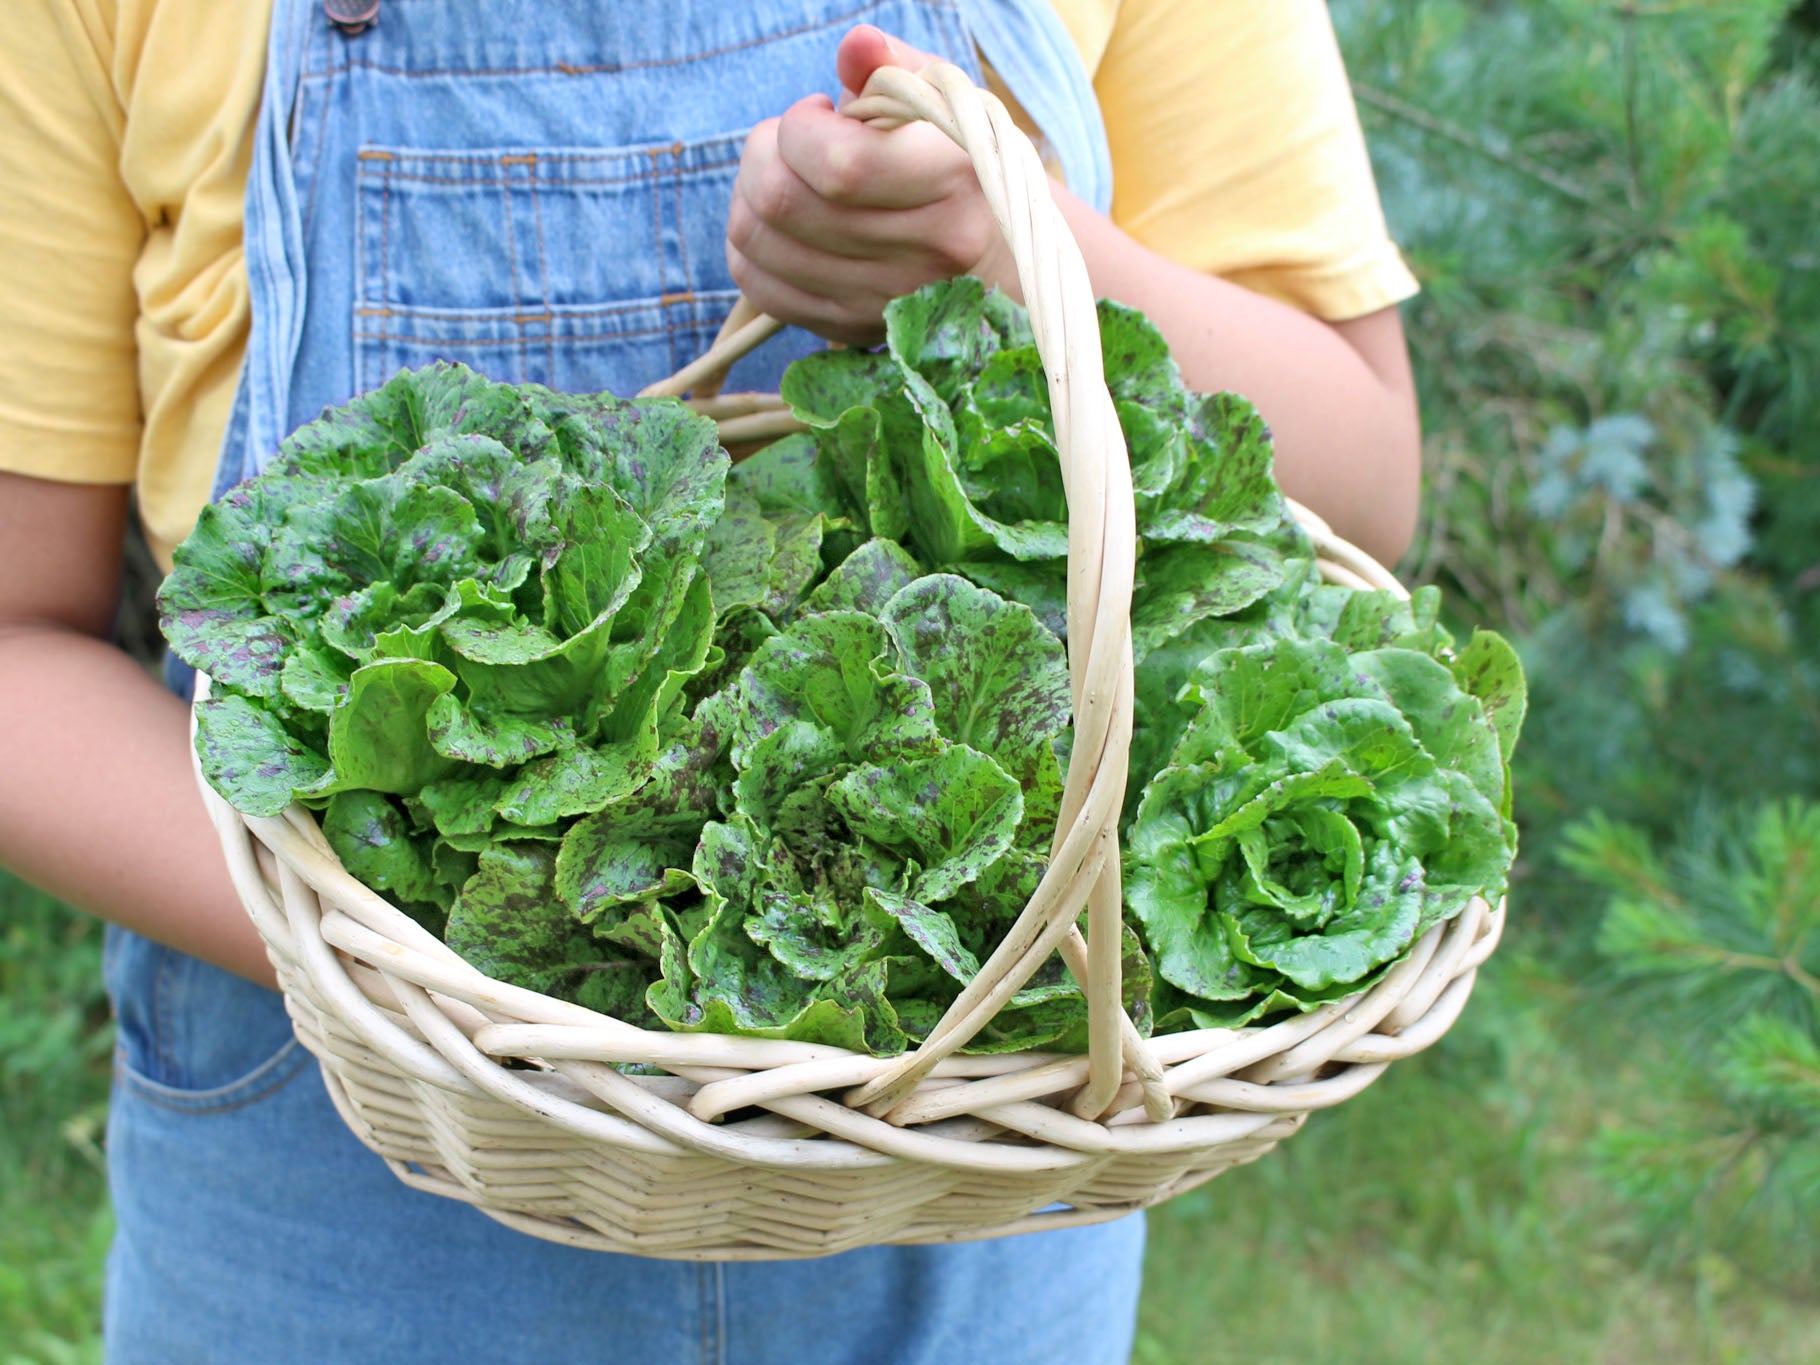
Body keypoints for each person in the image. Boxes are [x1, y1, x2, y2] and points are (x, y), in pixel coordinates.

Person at [0, 1, 1421, 1360]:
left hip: (983, 1124)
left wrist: (1012, 258)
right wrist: (424, 971)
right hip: (337, 1145)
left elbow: (1364, 479)